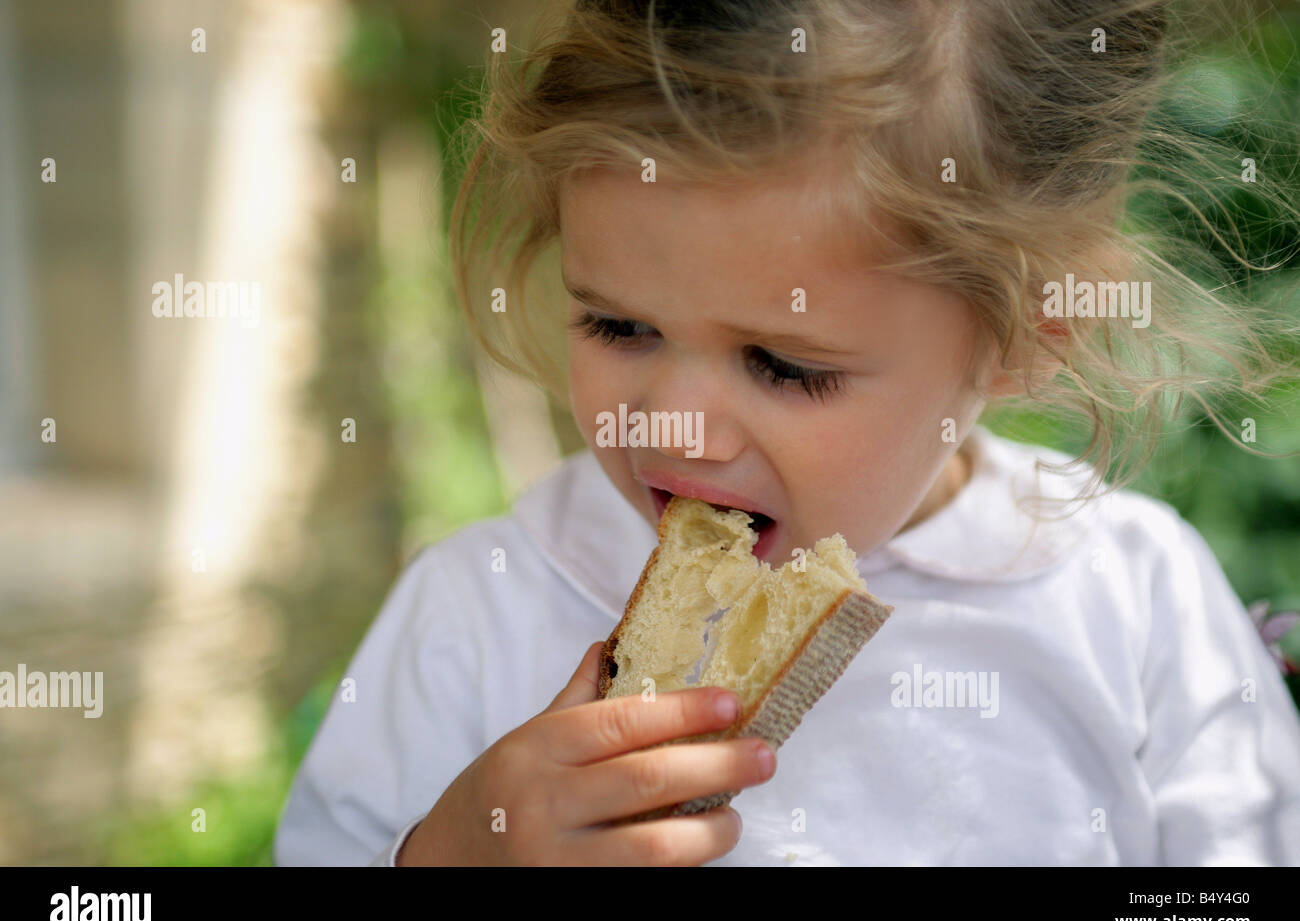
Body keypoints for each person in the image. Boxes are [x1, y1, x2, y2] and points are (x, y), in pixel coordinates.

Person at [274, 0, 1300, 865]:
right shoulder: (479, 613)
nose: (675, 420)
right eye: (618, 325)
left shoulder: (1132, 602)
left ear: (1027, 335)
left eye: (785, 366)